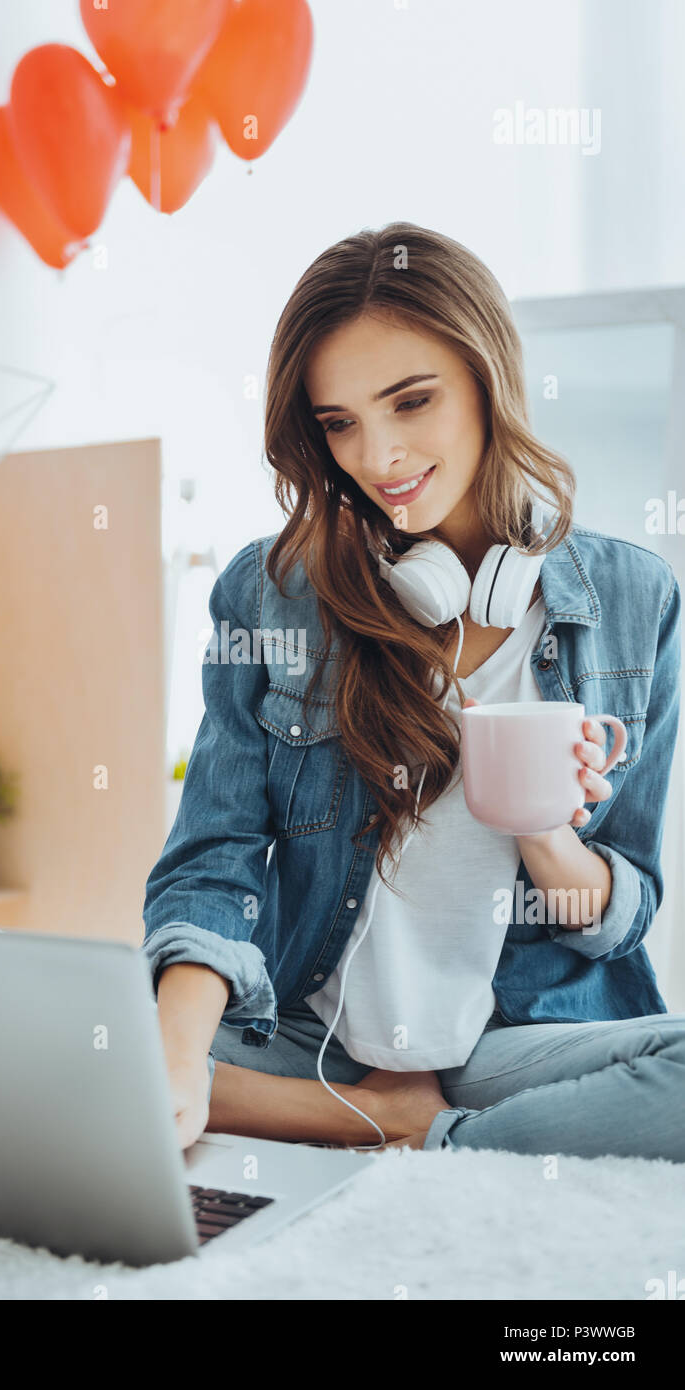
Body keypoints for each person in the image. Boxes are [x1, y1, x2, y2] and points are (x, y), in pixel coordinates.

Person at [143, 222, 683, 1160]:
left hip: (513, 1041)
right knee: (67, 1037)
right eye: (339, 423)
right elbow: (213, 859)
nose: (378, 457)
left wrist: (545, 827)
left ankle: (432, 1137)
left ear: (488, 379)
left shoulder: (635, 600)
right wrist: (176, 1060)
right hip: (315, 1034)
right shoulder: (274, 592)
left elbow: (620, 914)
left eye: (410, 401)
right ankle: (383, 1118)